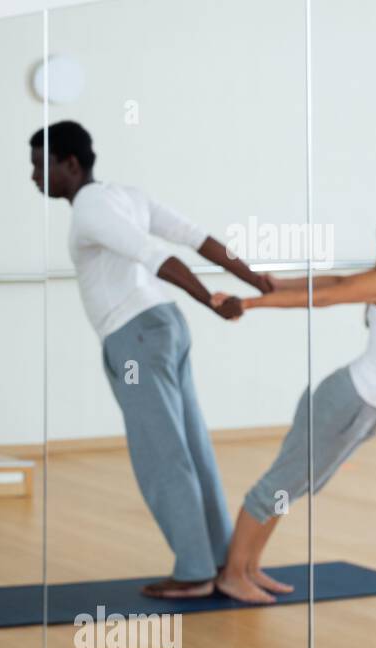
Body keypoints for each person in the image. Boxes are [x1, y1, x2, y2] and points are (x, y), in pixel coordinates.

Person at [31, 120, 273, 598]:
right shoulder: (126, 196)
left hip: (135, 336)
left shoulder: (91, 208)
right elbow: (196, 236)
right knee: (191, 448)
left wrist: (215, 301)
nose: (34, 176)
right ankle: (222, 561)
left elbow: (156, 255)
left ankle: (194, 573)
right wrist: (254, 278)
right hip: (165, 326)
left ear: (70, 163)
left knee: (162, 454)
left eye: (40, 165)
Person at [213, 211, 376, 602]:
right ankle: (232, 574)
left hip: (367, 410)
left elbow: (337, 282)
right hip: (345, 402)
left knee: (293, 487)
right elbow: (326, 295)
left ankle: (251, 567)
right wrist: (251, 303)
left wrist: (279, 282)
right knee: (279, 484)